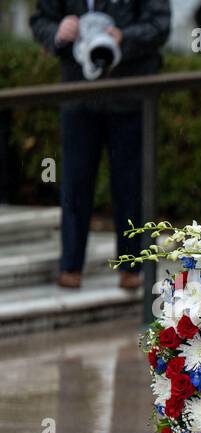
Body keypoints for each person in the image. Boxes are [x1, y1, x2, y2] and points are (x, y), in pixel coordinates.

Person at [29, 0, 171, 291]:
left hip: (129, 95)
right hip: (78, 95)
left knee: (130, 184)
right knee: (75, 181)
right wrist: (58, 31)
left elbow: (159, 25)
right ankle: (70, 265)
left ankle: (132, 265)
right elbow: (40, 20)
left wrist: (124, 37)